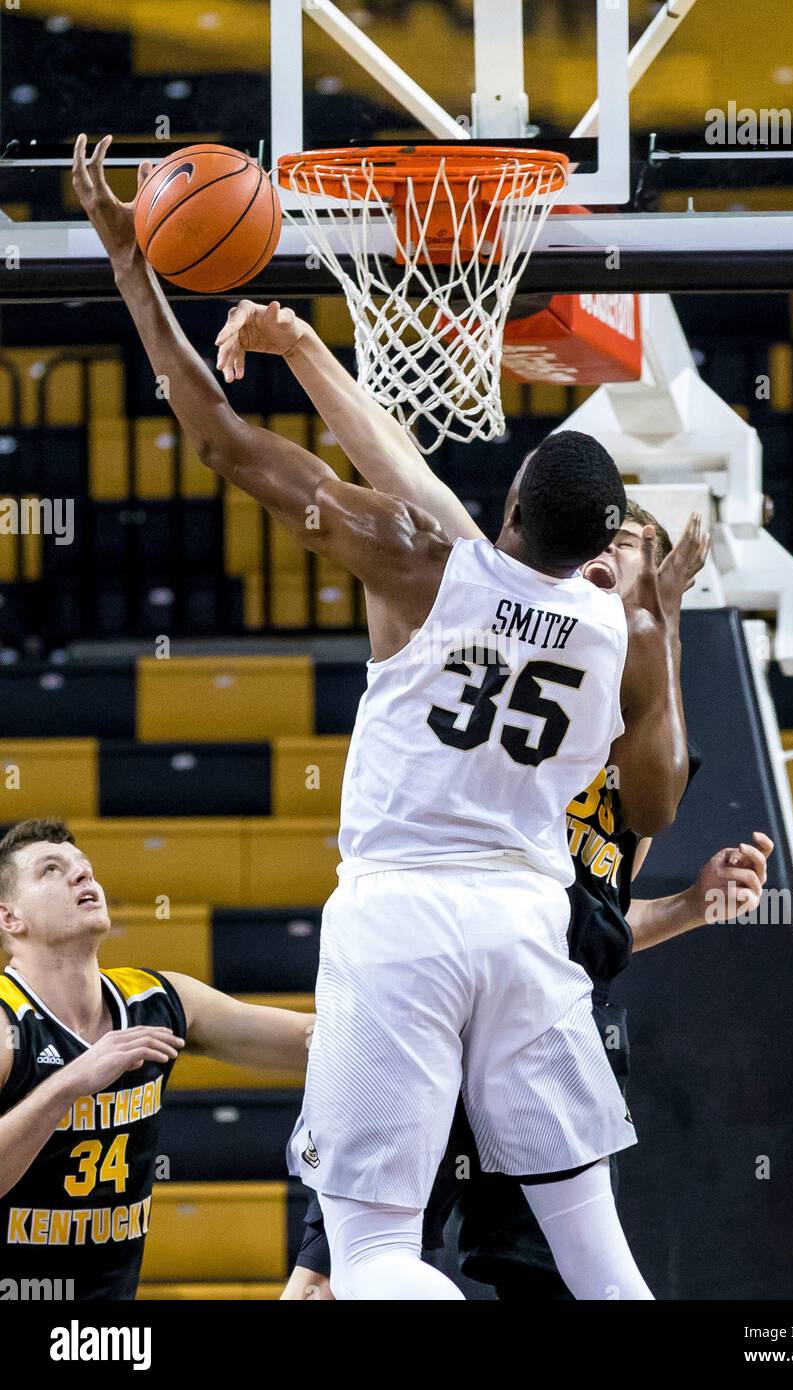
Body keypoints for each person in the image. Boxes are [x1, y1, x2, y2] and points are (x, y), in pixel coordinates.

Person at [73, 134, 692, 1300]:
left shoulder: (423, 567)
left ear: (506, 502)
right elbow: (652, 795)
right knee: (594, 1246)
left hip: (401, 913)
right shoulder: (621, 628)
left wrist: (130, 267)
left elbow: (222, 444)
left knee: (368, 1254)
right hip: (527, 924)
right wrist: (306, 347)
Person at [215, 302, 771, 1302]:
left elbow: (606, 906)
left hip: (448, 967)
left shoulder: (558, 641)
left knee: (391, 1263)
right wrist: (652, 611)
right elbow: (413, 482)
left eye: (631, 556)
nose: (616, 562)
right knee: (349, 1278)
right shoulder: (568, 624)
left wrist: (296, 346)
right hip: (484, 972)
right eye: (612, 547)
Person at [0, 817, 313, 1300]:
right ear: (10, 918)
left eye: (85, 868)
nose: (84, 877)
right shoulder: (8, 1023)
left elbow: (311, 1045)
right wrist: (67, 1085)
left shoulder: (159, 999)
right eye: (51, 870)